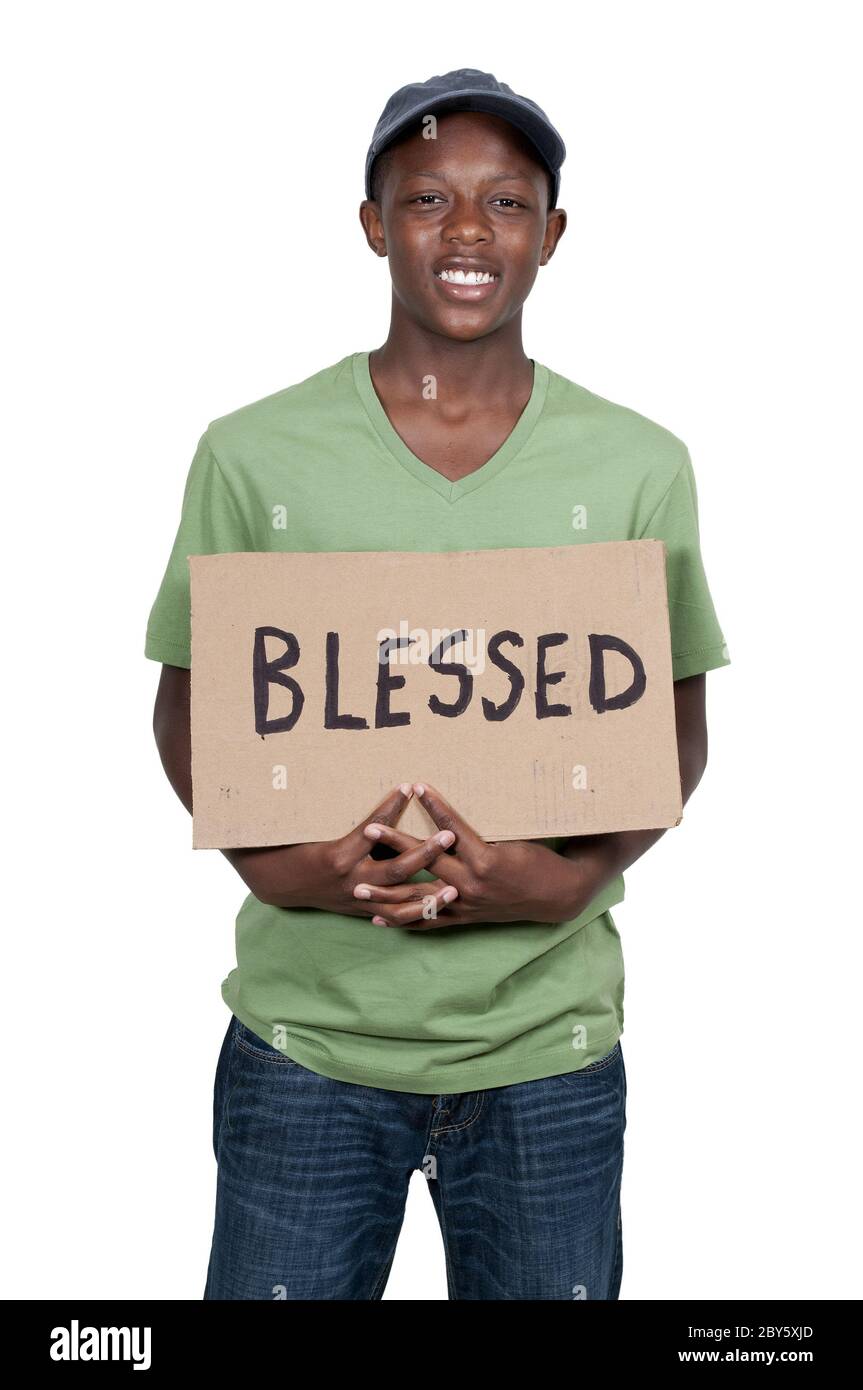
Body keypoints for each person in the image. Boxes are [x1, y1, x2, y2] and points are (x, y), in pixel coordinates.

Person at [146, 69, 730, 1300]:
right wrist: (281, 865)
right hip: (308, 1041)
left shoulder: (634, 467)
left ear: (551, 235)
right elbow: (189, 696)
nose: (468, 232)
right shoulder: (252, 455)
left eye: (506, 203)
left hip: (544, 1048)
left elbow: (670, 724)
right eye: (427, 198)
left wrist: (565, 876)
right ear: (372, 222)